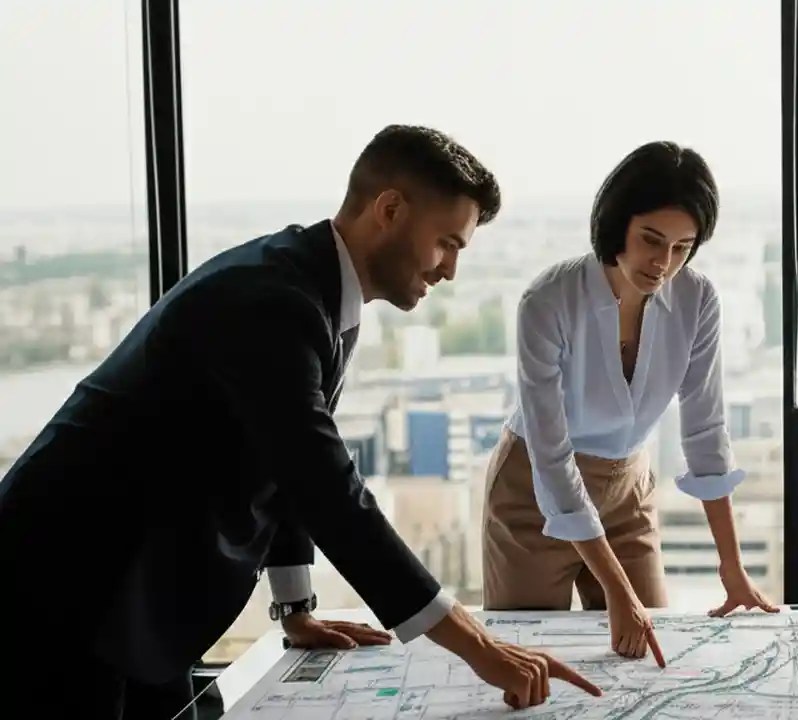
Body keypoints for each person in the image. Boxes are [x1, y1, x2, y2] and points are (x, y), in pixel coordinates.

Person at [0, 125, 601, 719]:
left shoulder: (317, 293)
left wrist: (296, 607)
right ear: (389, 209)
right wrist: (480, 648)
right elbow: (326, 489)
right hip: (65, 589)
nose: (449, 271)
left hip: (130, 600)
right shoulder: (273, 304)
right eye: (448, 242)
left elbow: (283, 466)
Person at [482, 141, 777, 663]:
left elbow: (706, 430)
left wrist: (731, 568)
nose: (664, 263)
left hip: (627, 489)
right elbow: (552, 456)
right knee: (533, 657)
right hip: (533, 487)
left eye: (683, 247)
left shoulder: (698, 299)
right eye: (651, 240)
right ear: (617, 223)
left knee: (645, 654)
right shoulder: (548, 301)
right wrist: (619, 593)